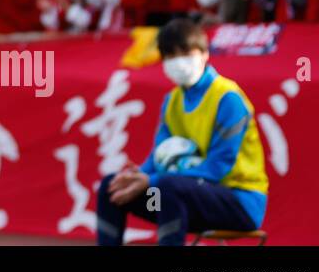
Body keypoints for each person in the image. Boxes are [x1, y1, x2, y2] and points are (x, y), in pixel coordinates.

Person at [96, 18, 268, 246]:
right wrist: (137, 177)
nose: (178, 62)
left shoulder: (228, 99)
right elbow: (159, 156)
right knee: (113, 186)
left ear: (205, 53)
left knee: (168, 186)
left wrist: (152, 180)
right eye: (170, 56)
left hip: (240, 203)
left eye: (185, 53)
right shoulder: (172, 101)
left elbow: (217, 168)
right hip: (188, 199)